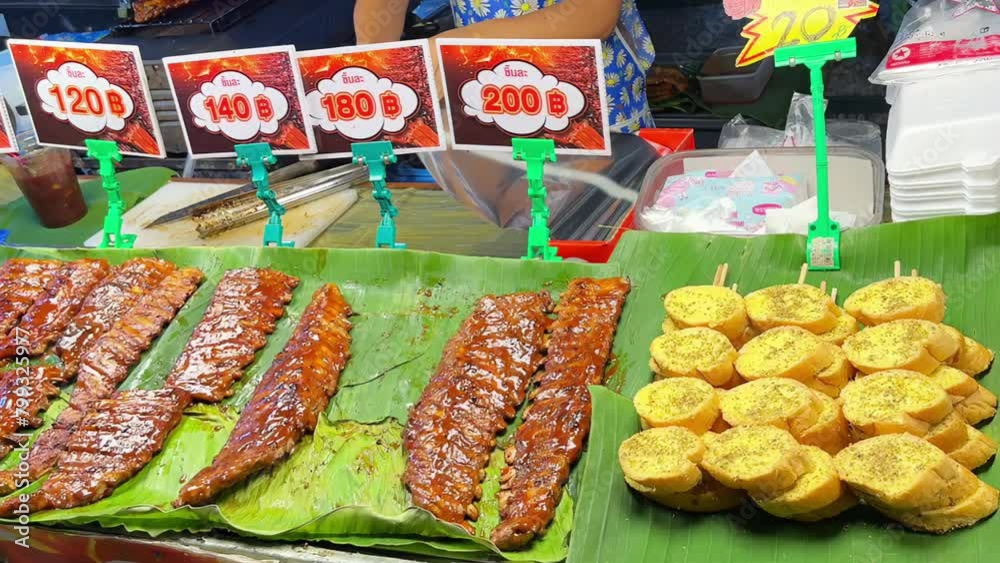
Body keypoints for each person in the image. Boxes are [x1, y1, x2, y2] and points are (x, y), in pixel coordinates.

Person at [354, 0, 656, 133]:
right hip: (485, 104)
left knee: (601, 240)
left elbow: (595, 12)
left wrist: (469, 40)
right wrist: (371, 68)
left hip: (594, 108)